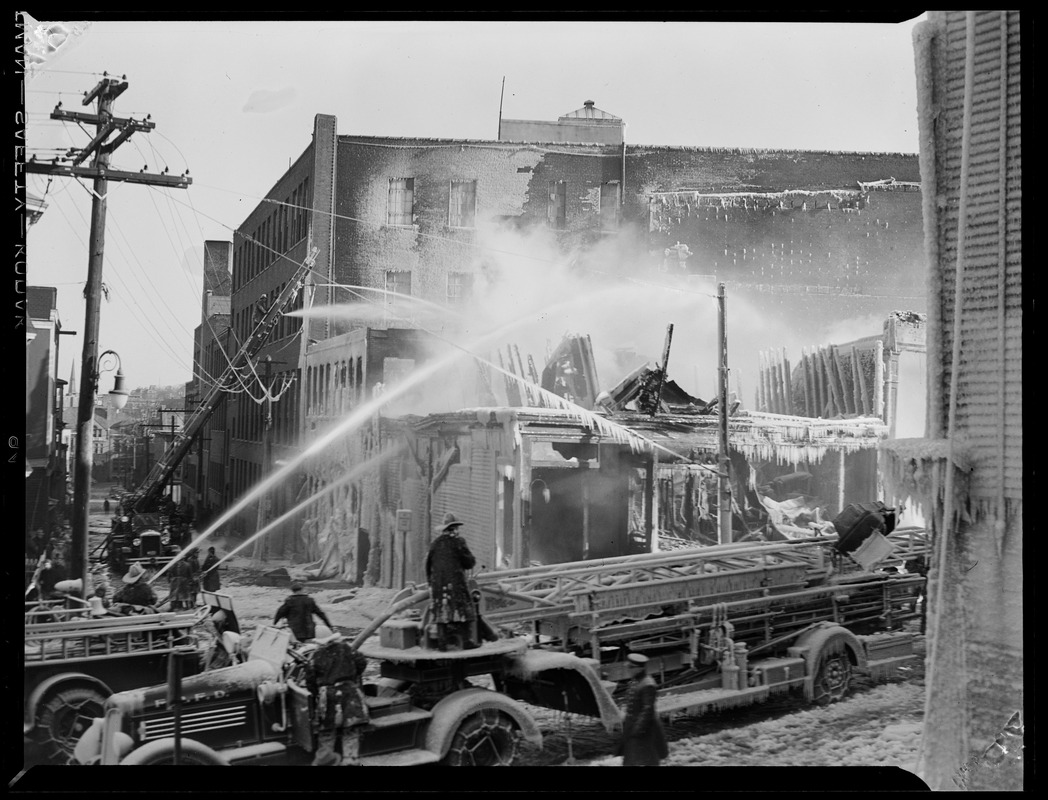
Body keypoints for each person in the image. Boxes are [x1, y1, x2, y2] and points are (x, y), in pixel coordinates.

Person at [304, 625, 370, 766]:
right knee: (351, 729)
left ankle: (325, 758)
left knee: (327, 731)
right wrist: (352, 677)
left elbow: (310, 680)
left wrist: (317, 694)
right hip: (350, 693)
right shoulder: (347, 649)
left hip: (328, 697)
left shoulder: (315, 656)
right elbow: (362, 663)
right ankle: (350, 760)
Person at [425, 513, 477, 651]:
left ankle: (442, 644)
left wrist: (431, 583)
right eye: (456, 528)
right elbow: (469, 562)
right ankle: (466, 641)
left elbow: (428, 565)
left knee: (441, 611)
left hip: (437, 584)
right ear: (454, 529)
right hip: (455, 582)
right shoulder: (458, 542)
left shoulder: (435, 544)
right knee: (465, 609)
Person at [617, 653, 668, 766]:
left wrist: (637, 730)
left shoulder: (648, 685)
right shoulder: (636, 681)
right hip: (633, 727)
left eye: (631, 667)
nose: (628, 670)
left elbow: (647, 710)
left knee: (646, 760)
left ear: (639, 668)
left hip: (644, 730)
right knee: (633, 760)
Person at [166, 546, 197, 610]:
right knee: (184, 595)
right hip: (183, 582)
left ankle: (175, 607)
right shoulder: (187, 565)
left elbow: (168, 575)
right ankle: (185, 606)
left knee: (175, 595)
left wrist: (170, 581)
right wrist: (191, 582)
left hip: (176, 582)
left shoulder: (172, 565)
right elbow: (190, 576)